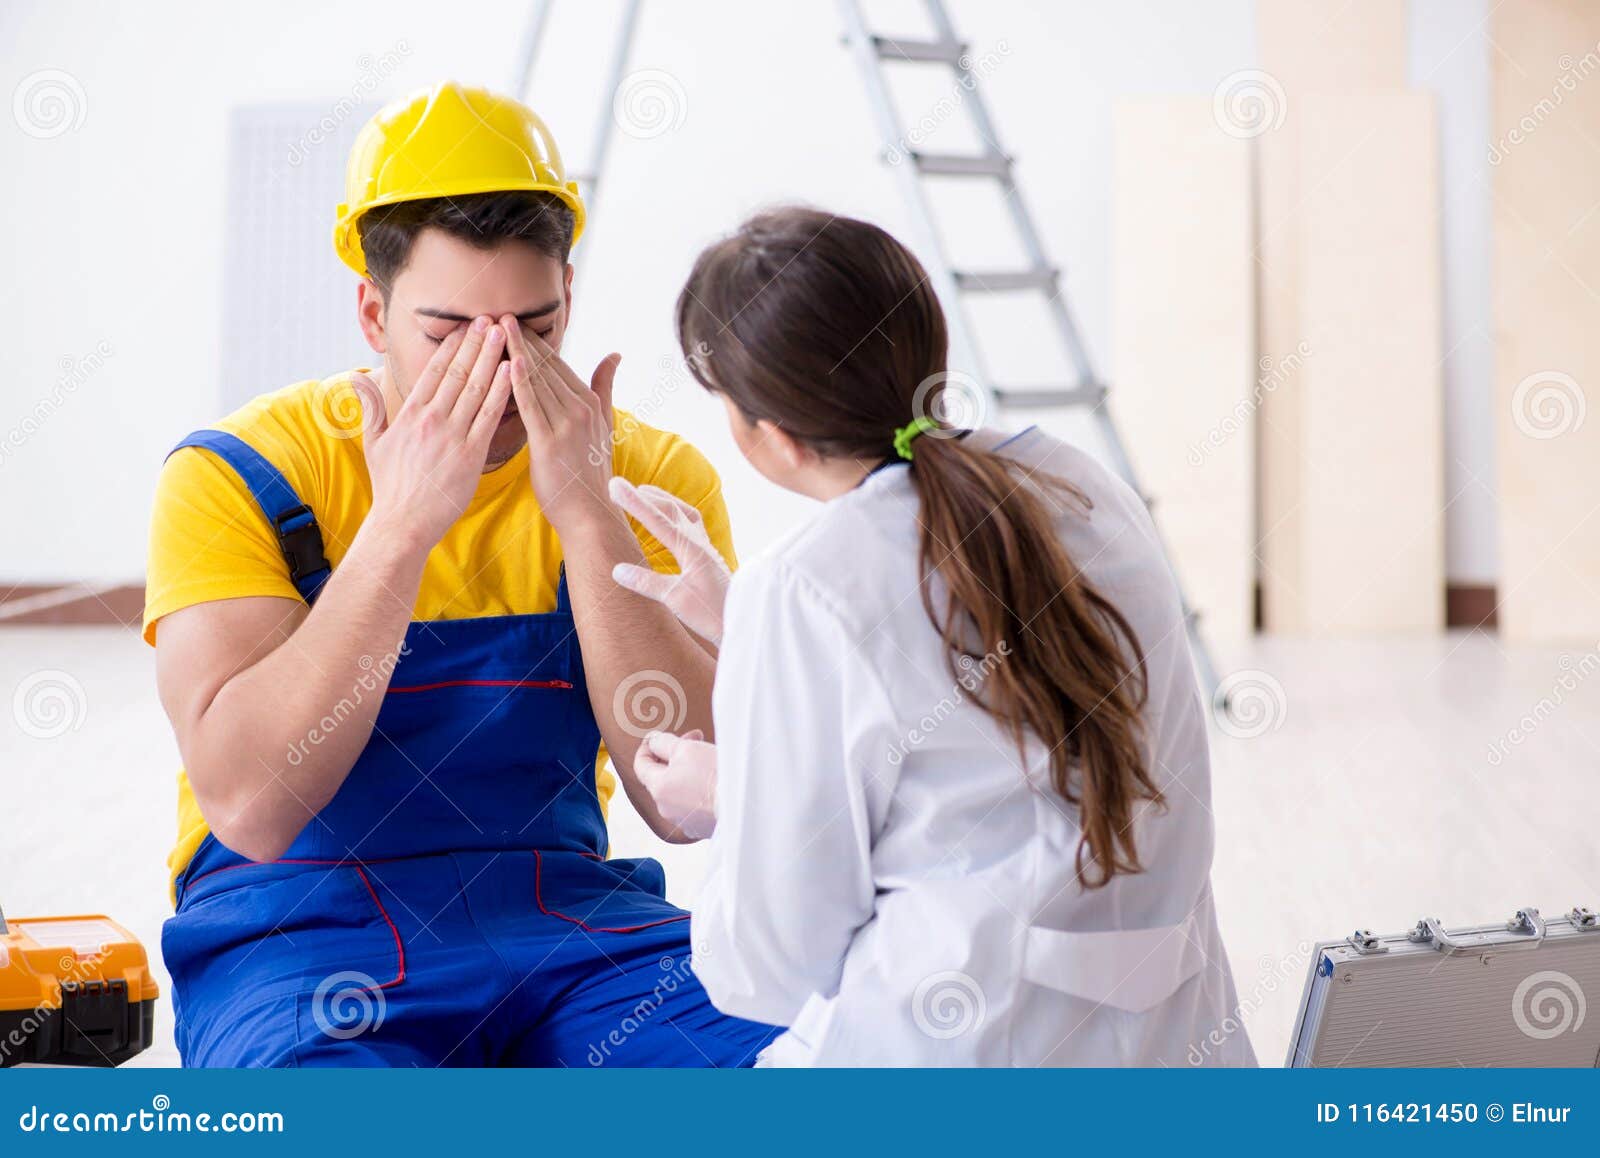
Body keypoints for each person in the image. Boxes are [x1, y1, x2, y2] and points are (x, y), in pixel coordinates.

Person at [144, 82, 778, 1067]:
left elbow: (686, 804)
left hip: (568, 921)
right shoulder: (240, 474)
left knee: (789, 1078)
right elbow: (253, 809)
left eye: (538, 327)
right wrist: (400, 528)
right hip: (295, 935)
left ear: (571, 297)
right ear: (372, 311)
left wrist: (587, 512)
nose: (503, 374)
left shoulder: (646, 477)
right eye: (449, 336)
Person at [611, 207, 1257, 1067]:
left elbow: (765, 968)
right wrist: (750, 634)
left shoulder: (804, 584)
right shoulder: (1078, 481)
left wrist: (735, 797)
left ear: (761, 432)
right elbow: (987, 711)